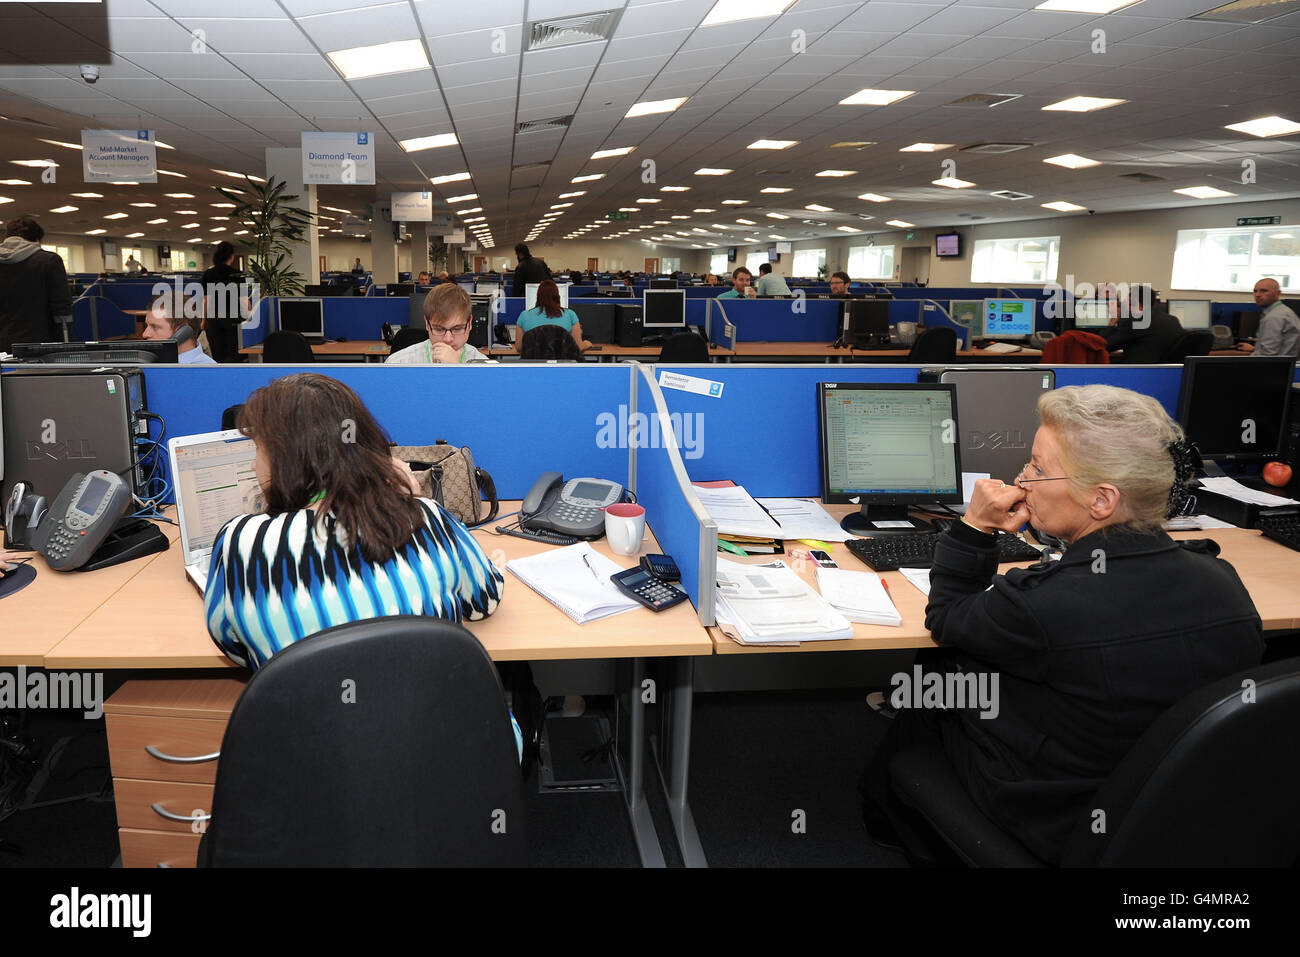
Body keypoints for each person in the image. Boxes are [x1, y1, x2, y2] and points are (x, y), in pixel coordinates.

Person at [859, 384, 1263, 865]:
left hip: (1058, 818)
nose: (1022, 479)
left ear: (1101, 500)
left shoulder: (1042, 604)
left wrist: (973, 527)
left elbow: (946, 617)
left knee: (936, 677)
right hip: (1174, 815)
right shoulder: (1222, 581)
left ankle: (889, 818)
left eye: (1037, 468)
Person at [203, 374, 518, 755]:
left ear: (288, 460)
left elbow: (235, 645)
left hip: (316, 783)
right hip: (455, 770)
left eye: (258, 450)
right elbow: (485, 600)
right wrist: (406, 498)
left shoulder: (241, 544)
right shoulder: (429, 519)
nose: (254, 466)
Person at [0, 214, 71, 352]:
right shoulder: (49, 261)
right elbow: (61, 310)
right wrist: (66, 347)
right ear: (37, 240)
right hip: (39, 345)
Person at [385, 283, 488, 364]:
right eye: (439, 329)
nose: (448, 339)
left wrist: (457, 370)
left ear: (469, 324)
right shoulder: (397, 363)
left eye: (457, 329)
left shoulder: (488, 369)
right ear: (427, 324)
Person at [1097, 296, 1183, 363]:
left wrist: (1113, 321)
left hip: (1140, 373)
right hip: (1170, 373)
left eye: (1129, 304)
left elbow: (1104, 345)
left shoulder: (1136, 322)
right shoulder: (1173, 319)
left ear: (1140, 306)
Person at [515, 279, 591, 352]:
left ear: (538, 296)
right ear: (557, 296)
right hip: (562, 363)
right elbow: (578, 347)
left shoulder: (524, 316)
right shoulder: (570, 315)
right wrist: (586, 344)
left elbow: (518, 347)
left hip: (535, 363)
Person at [142, 291, 216, 364]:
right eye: (147, 325)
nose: (145, 334)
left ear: (183, 332)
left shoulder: (208, 372)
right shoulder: (146, 364)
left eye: (155, 327)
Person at [200, 240, 244, 363]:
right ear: (232, 256)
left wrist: (204, 320)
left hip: (214, 320)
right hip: (233, 321)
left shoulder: (208, 274)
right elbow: (244, 302)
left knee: (218, 356)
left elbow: (206, 300)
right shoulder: (238, 275)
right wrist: (251, 318)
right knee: (234, 355)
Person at [1238, 278, 1299, 357]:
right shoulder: (1285, 311)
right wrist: (1255, 349)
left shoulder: (1274, 317)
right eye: (1255, 291)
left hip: (1273, 367)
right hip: (1285, 364)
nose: (1258, 295)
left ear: (1278, 293)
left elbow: (1267, 355)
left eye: (1264, 291)